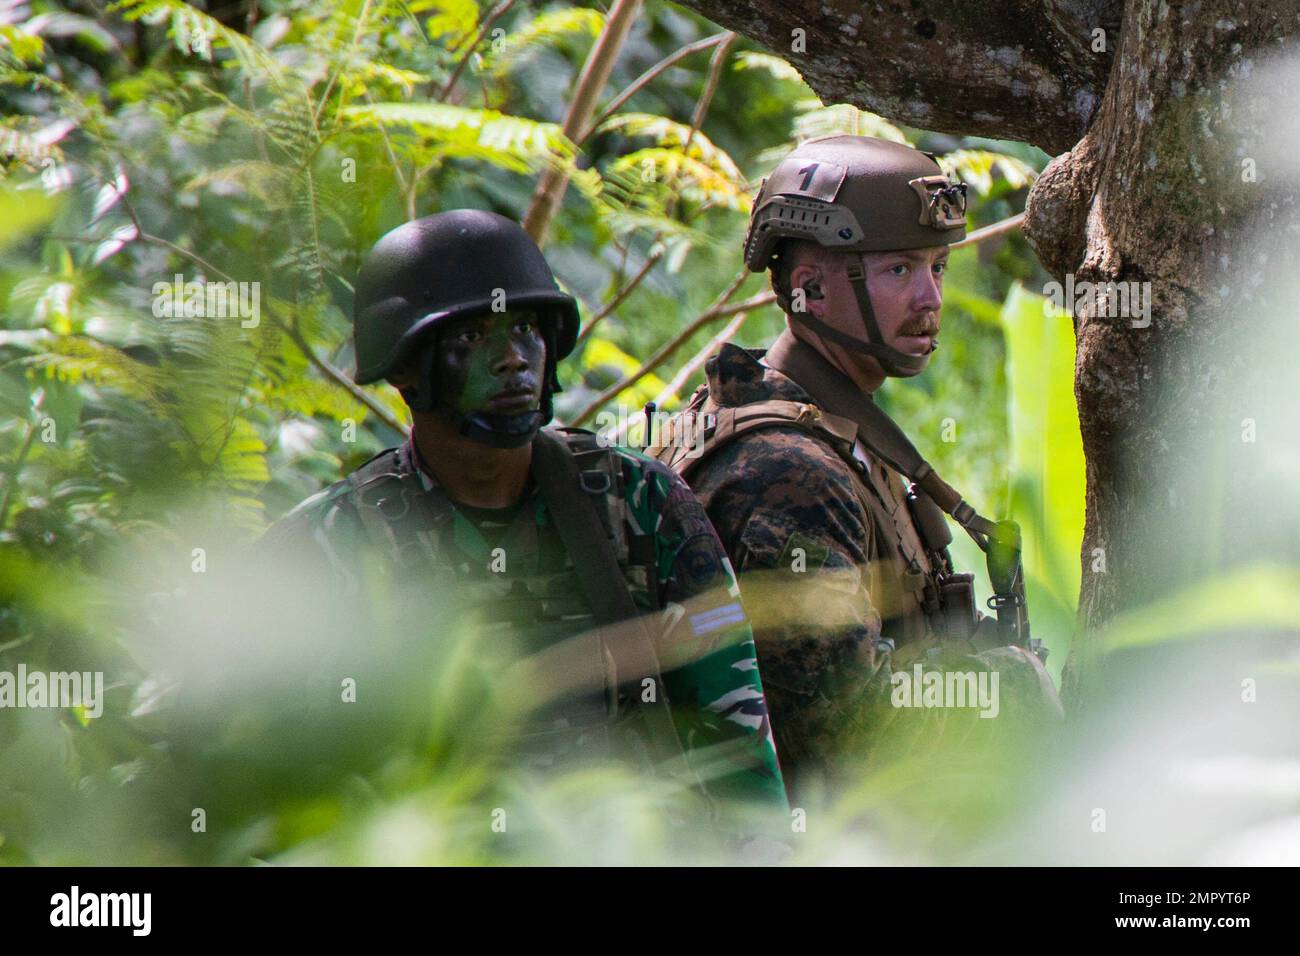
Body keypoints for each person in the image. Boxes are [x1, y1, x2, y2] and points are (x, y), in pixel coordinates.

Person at [258, 209, 787, 831]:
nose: (512, 359)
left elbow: (740, 761)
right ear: (404, 368)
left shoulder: (641, 504)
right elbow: (266, 791)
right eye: (470, 340)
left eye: (527, 330)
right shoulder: (327, 547)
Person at [650, 135, 1062, 800]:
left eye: (938, 268)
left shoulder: (832, 427)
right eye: (899, 271)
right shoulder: (785, 472)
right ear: (809, 289)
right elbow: (839, 730)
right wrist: (1009, 687)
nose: (930, 299)